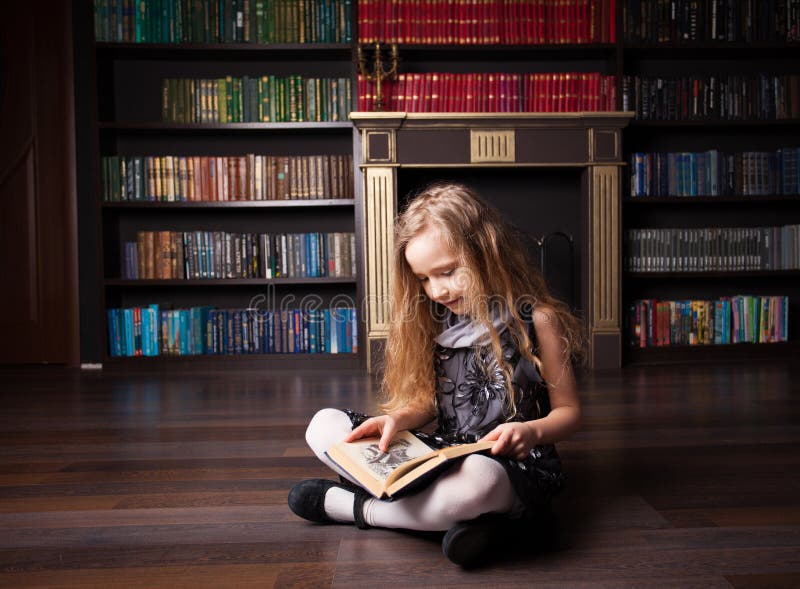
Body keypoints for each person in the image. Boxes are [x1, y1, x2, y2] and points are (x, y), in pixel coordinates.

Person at [288, 181, 583, 566]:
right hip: (443, 453)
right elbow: (429, 402)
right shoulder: (435, 322)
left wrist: (531, 431)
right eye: (424, 279)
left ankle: (357, 509)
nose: (437, 290)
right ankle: (467, 521)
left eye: (446, 272)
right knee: (323, 426)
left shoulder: (537, 320)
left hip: (509, 465)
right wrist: (396, 419)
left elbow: (569, 413)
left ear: (486, 252)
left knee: (480, 481)